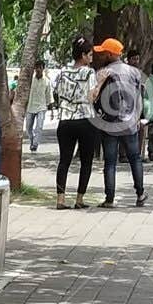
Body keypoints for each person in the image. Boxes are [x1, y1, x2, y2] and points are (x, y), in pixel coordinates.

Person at [88, 37, 145, 209]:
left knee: (110, 162)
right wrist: (139, 117)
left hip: (110, 124)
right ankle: (140, 194)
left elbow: (93, 97)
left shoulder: (104, 72)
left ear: (111, 54)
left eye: (104, 52)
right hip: (129, 124)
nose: (102, 55)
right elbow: (139, 97)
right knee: (135, 158)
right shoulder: (134, 72)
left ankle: (110, 199)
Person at [51, 36, 98, 209]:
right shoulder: (89, 72)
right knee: (86, 161)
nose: (91, 58)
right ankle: (79, 199)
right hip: (84, 118)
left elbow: (56, 92)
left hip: (65, 120)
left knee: (64, 160)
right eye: (90, 55)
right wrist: (100, 83)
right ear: (84, 56)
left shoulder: (62, 71)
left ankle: (60, 199)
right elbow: (92, 97)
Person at [24, 61, 50, 153]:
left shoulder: (47, 81)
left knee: (39, 127)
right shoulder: (30, 80)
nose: (38, 69)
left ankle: (35, 145)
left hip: (41, 107)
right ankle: (32, 140)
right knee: (28, 128)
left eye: (40, 67)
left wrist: (51, 109)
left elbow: (48, 96)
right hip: (30, 107)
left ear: (43, 68)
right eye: (36, 67)